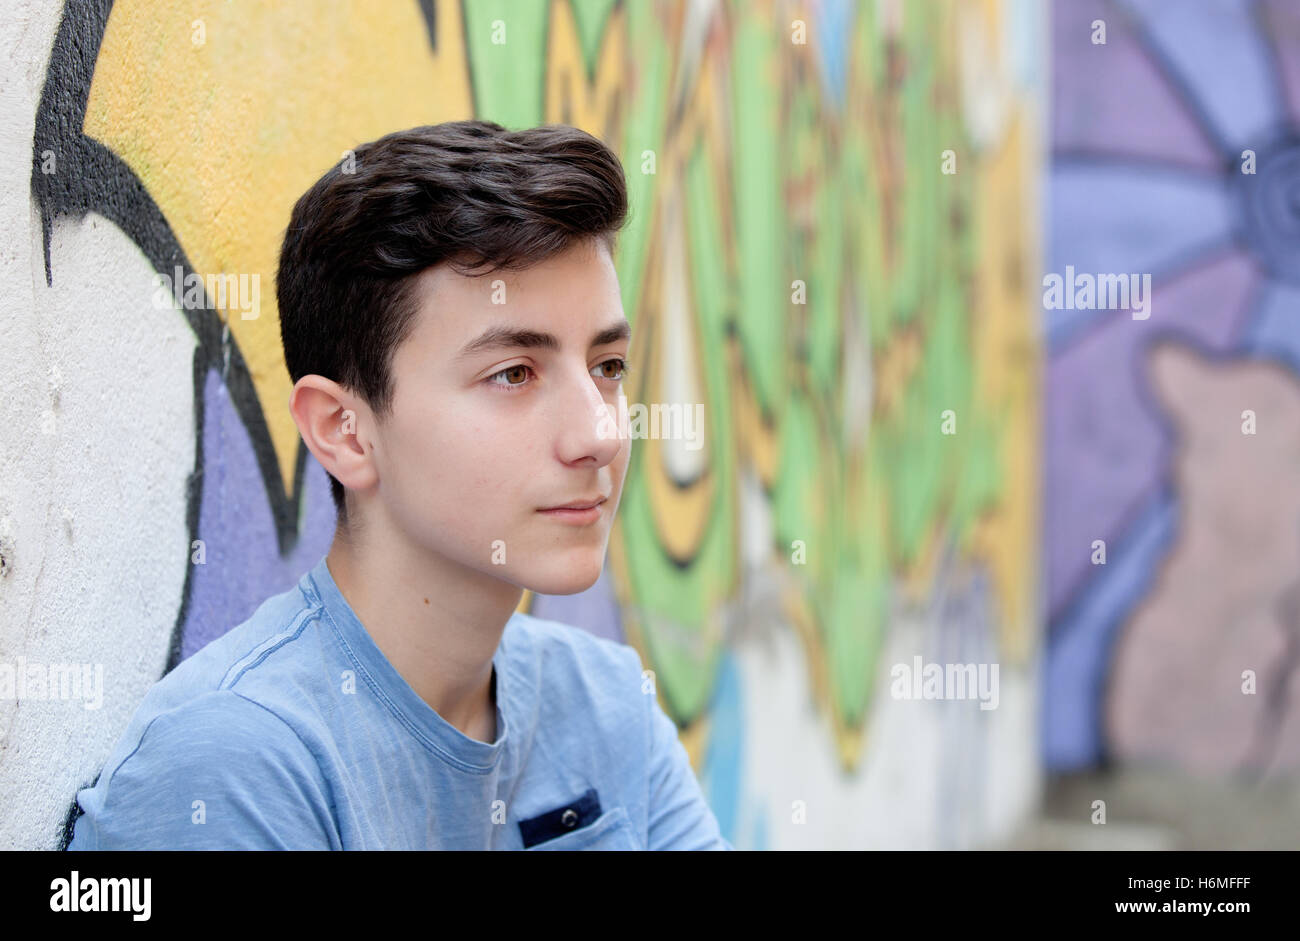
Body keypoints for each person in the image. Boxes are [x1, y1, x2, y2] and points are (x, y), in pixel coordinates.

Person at [67, 120, 731, 850]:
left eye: (607, 366)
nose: (599, 434)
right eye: (513, 373)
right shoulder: (236, 767)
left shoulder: (606, 711)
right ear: (345, 430)